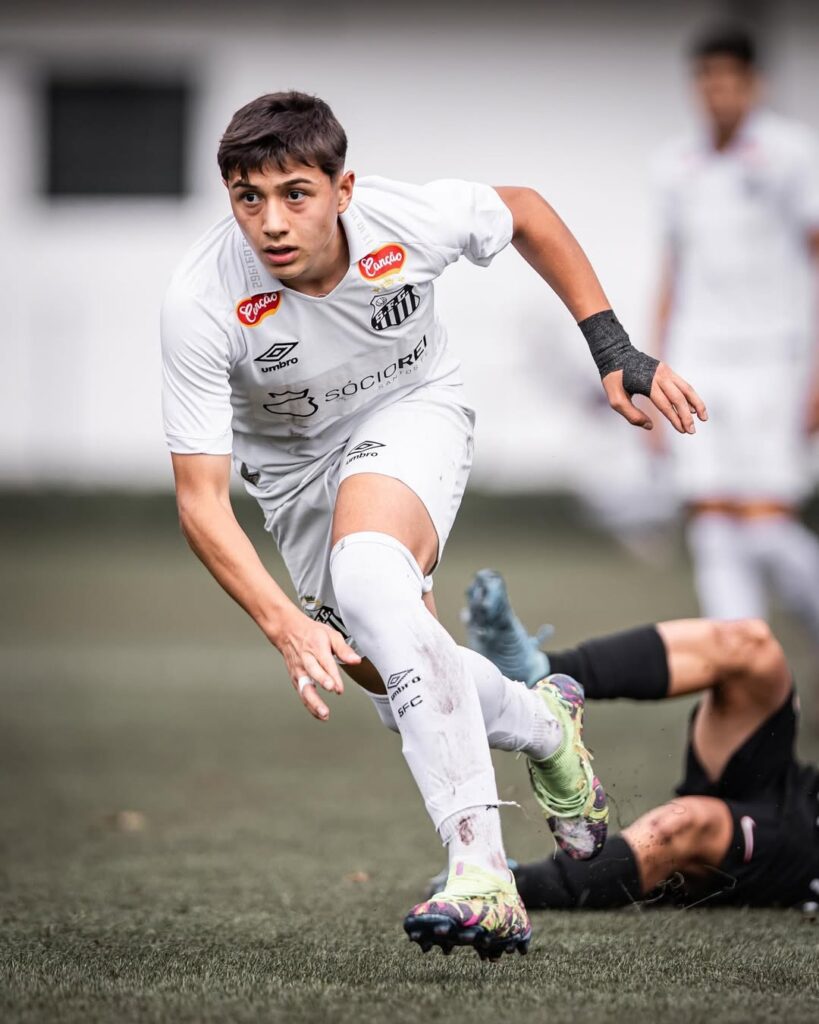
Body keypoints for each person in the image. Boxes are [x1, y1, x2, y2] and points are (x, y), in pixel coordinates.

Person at [160, 91, 705, 958]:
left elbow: (523, 210)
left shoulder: (404, 220)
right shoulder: (201, 300)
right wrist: (285, 624)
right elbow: (199, 501)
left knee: (373, 579)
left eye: (295, 193)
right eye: (246, 196)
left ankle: (480, 874)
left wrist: (613, 349)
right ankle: (540, 724)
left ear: (344, 188)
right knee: (391, 672)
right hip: (296, 474)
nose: (270, 220)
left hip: (411, 409)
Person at [456, 571, 819, 911]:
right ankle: (536, 670)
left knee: (682, 827)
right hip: (799, 788)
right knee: (750, 645)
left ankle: (501, 883)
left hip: (803, 840)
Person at [652, 26, 819, 639]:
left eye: (729, 80)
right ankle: (745, 671)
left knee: (766, 522)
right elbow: (672, 270)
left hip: (776, 357)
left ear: (754, 86)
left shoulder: (792, 154)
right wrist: (650, 367)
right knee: (712, 520)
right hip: (698, 357)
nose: (716, 93)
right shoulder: (674, 165)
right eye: (706, 79)